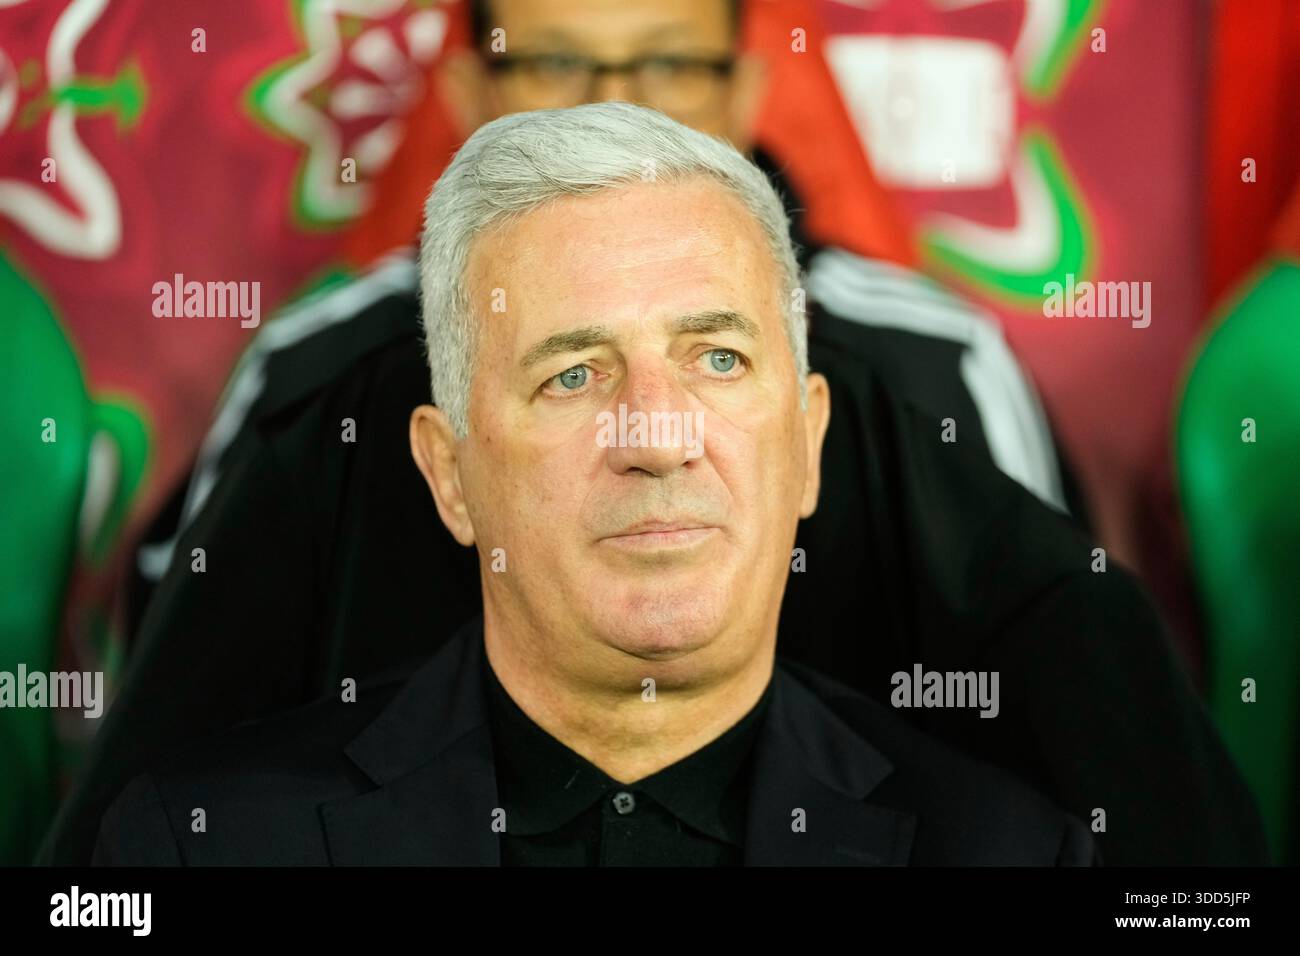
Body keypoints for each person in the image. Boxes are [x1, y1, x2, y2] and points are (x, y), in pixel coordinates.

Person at [39, 0, 1265, 867]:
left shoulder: (928, 372)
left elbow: (1127, 771)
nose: (654, 432)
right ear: (444, 464)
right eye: (569, 375)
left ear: (809, 436)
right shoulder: (323, 379)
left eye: (720, 359)